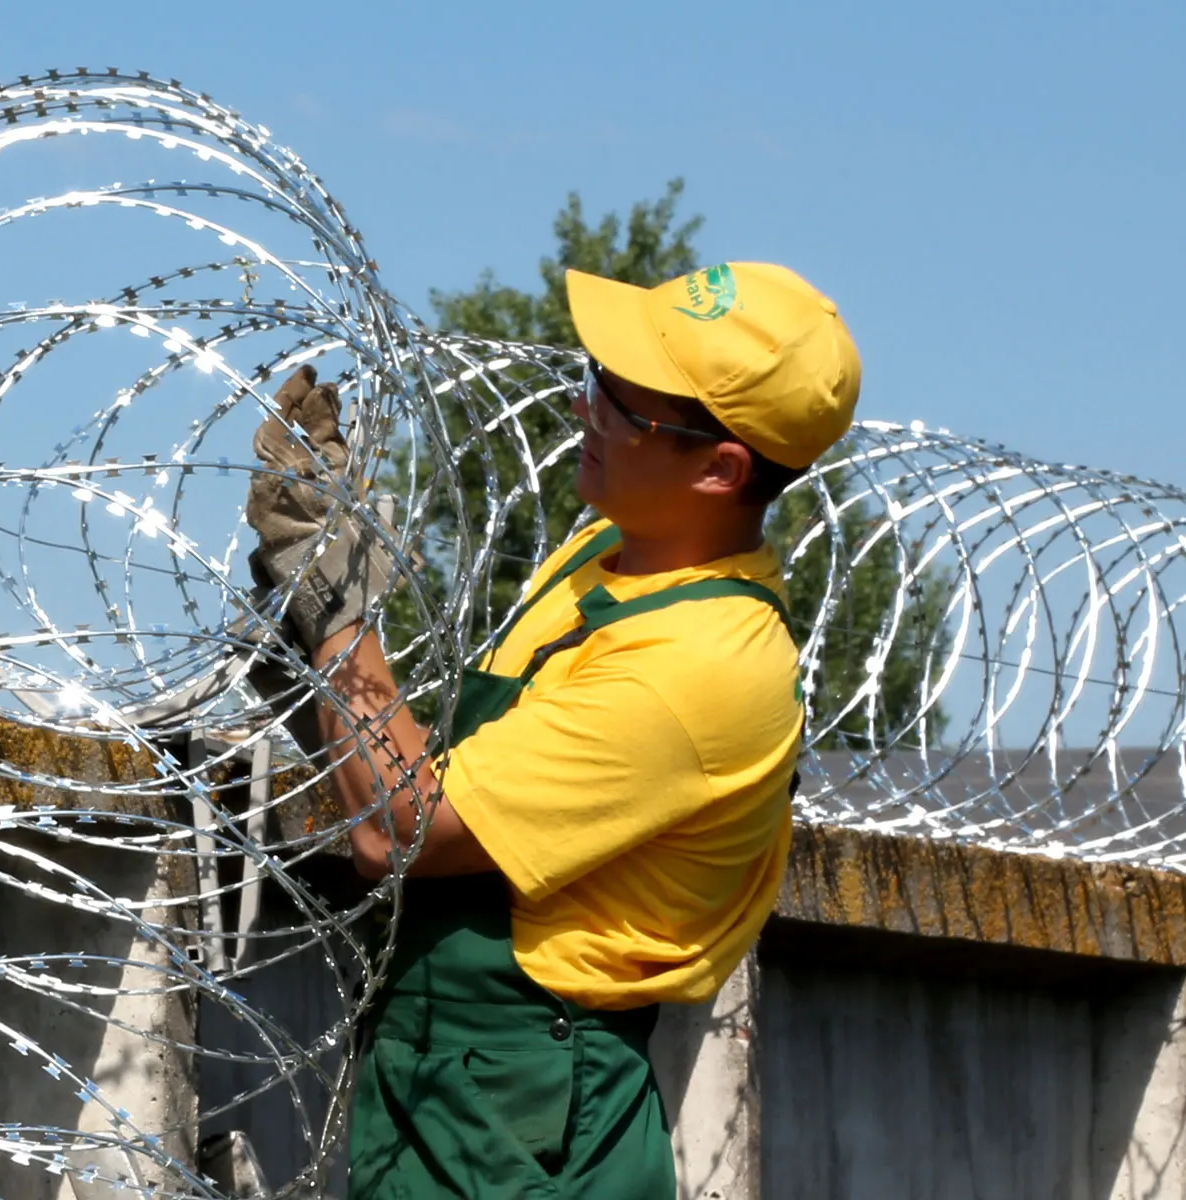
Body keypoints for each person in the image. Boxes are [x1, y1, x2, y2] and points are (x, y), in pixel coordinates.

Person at [243, 261, 861, 1198]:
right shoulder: (602, 558)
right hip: (453, 1077)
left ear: (720, 467)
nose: (588, 411)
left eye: (624, 402)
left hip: (526, 1115)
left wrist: (337, 614)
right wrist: (314, 647)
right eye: (597, 380)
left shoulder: (698, 663)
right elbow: (423, 768)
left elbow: (397, 830)